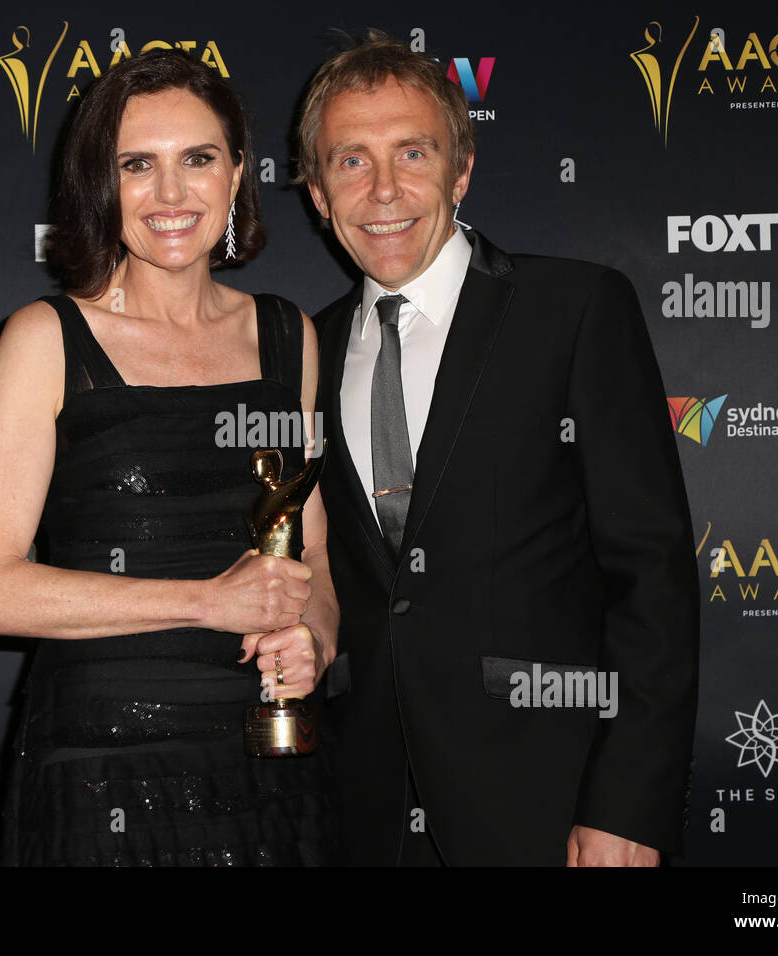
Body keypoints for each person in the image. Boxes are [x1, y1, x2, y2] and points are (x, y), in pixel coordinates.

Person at [297, 34, 699, 865]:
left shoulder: (575, 309)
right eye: (350, 161)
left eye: (413, 152)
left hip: (552, 806)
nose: (384, 190)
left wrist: (628, 804)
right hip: (366, 813)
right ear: (315, 192)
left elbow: (650, 575)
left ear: (462, 169)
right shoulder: (306, 350)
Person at [0, 49, 338, 865]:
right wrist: (205, 602)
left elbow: (313, 559)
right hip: (102, 772)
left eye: (197, 159)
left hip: (266, 768)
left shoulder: (287, 338)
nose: (170, 194)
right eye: (137, 165)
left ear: (236, 174)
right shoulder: (47, 340)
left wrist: (318, 639)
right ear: (102, 183)